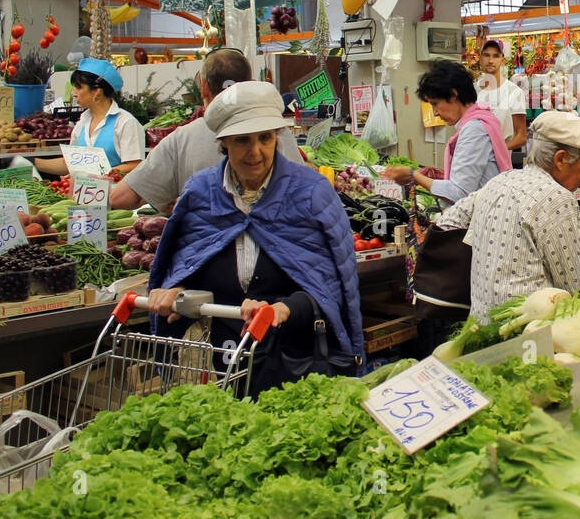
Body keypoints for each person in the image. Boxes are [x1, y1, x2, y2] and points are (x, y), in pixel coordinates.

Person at [147, 82, 364, 392]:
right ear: (223, 144)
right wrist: (175, 289)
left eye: (265, 138)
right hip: (221, 360)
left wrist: (284, 308)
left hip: (295, 363)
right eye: (242, 141)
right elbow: (186, 263)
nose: (256, 151)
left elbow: (330, 283)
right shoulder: (200, 193)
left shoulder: (311, 193)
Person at [436, 112, 580, 322]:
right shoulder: (556, 197)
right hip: (529, 332)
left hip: (481, 324)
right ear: (560, 159)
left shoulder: (500, 181)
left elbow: (448, 221)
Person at [110, 48, 303, 213]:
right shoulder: (277, 132)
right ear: (250, 83)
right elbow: (303, 195)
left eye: (263, 140)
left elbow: (121, 198)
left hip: (207, 248)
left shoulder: (182, 138)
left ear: (203, 87)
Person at [384, 60, 511, 203]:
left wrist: (413, 176)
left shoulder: (474, 129)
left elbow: (459, 193)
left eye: (435, 104)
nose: (435, 113)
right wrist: (435, 177)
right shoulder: (481, 119)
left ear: (452, 95)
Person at [35, 58, 145, 177]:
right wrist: (33, 163)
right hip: (84, 194)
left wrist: (96, 174)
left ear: (97, 92)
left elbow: (135, 165)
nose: (74, 93)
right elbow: (70, 163)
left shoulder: (125, 123)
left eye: (79, 87)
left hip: (115, 193)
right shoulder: (82, 123)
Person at [475, 39, 528, 152]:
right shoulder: (473, 90)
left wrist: (497, 150)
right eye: (486, 55)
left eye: (496, 56)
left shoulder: (514, 92)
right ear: (480, 58)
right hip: (474, 160)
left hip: (500, 164)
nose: (490, 60)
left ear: (502, 60)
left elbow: (521, 137)